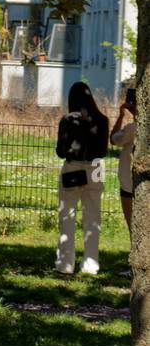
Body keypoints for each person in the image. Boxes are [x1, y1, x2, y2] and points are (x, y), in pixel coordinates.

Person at [55, 81, 110, 275]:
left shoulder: (68, 120)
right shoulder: (102, 120)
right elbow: (103, 151)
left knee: (67, 216)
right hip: (95, 168)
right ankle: (91, 264)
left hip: (73, 168)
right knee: (93, 219)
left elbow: (60, 152)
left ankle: (65, 264)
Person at [111, 85, 138, 231]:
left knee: (132, 226)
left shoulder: (131, 130)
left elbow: (113, 139)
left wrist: (121, 115)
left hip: (128, 185)